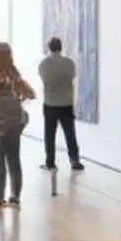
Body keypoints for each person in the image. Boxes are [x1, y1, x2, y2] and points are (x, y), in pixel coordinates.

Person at [0, 42, 36, 209]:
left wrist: (10, 91)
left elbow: (29, 93)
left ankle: (8, 197)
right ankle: (7, 197)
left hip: (7, 123)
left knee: (7, 160)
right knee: (6, 160)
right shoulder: (0, 74)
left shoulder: (8, 75)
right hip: (3, 121)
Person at [39, 37, 85, 172]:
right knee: (70, 133)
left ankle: (50, 162)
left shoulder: (44, 64)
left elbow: (45, 81)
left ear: (49, 47)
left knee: (50, 134)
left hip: (50, 103)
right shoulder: (69, 63)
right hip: (66, 103)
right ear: (61, 47)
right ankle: (75, 160)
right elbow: (72, 77)